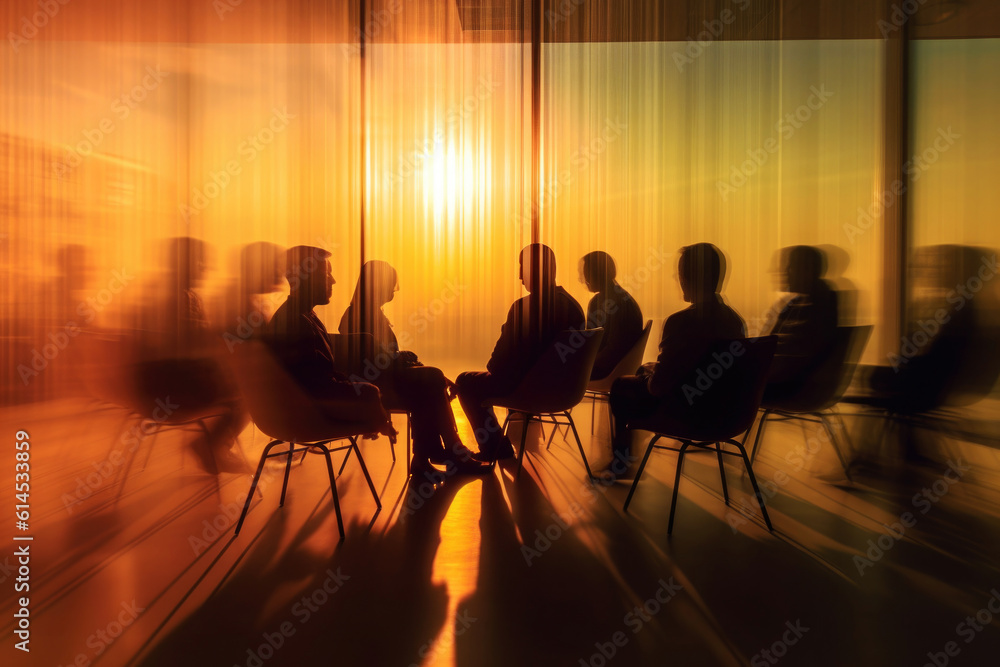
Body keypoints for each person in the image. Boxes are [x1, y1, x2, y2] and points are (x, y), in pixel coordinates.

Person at [339, 260, 490, 475]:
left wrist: (411, 364)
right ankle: (446, 451)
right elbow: (376, 362)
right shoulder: (362, 316)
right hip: (379, 389)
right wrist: (406, 360)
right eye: (390, 284)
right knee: (429, 385)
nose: (393, 290)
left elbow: (384, 359)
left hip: (383, 382)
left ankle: (428, 457)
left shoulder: (359, 314)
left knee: (428, 387)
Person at [608, 243, 746, 477]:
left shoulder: (680, 322)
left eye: (680, 273)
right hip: (727, 413)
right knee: (644, 370)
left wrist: (650, 376)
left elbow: (660, 386)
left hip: (688, 414)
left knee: (622, 387)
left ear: (690, 277)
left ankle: (622, 464)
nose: (677, 279)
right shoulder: (735, 321)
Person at [455, 243, 586, 462]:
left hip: (532, 389)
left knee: (466, 382)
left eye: (521, 268)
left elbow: (496, 365)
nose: (519, 276)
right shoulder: (573, 306)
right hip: (566, 389)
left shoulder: (524, 308)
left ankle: (496, 447)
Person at [264, 246, 396, 440]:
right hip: (306, 417)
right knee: (371, 391)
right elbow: (315, 385)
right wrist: (372, 404)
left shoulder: (300, 316)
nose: (333, 281)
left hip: (298, 413)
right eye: (326, 274)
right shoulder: (297, 323)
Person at [762, 245, 839, 402]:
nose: (783, 272)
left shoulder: (814, 309)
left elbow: (774, 347)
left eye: (790, 266)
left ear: (806, 270)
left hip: (791, 387)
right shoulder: (799, 305)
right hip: (793, 382)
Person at [580, 251, 644, 380]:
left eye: (586, 272)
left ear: (597, 273)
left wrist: (583, 363)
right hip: (621, 366)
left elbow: (613, 349)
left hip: (609, 369)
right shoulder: (622, 299)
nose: (583, 279)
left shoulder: (614, 303)